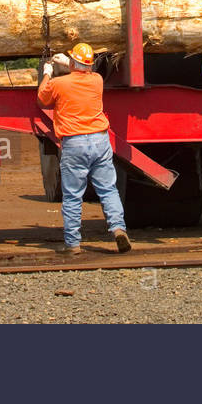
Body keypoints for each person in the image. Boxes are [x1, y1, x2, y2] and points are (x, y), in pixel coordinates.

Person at [36, 42, 132, 255]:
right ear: (89, 65)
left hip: (75, 143)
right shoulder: (97, 81)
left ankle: (73, 244)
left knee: (72, 196)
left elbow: (42, 98)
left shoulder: (59, 84)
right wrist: (68, 64)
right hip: (100, 141)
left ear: (72, 62)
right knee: (108, 190)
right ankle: (118, 229)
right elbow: (87, 72)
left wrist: (48, 72)